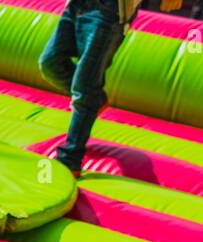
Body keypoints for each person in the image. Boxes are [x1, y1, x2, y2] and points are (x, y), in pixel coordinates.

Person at [38, 0, 142, 176]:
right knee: (50, 63)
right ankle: (94, 98)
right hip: (78, 5)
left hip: (110, 10)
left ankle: (70, 159)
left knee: (84, 86)